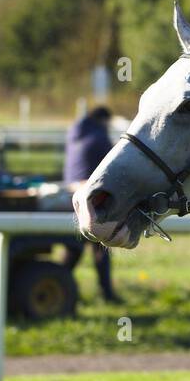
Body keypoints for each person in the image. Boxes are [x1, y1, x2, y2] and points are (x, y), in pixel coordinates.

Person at [63, 106, 120, 303]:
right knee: (99, 249)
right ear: (104, 120)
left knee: (77, 249)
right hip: (92, 198)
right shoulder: (100, 137)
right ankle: (106, 294)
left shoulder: (74, 134)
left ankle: (60, 283)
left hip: (71, 196)